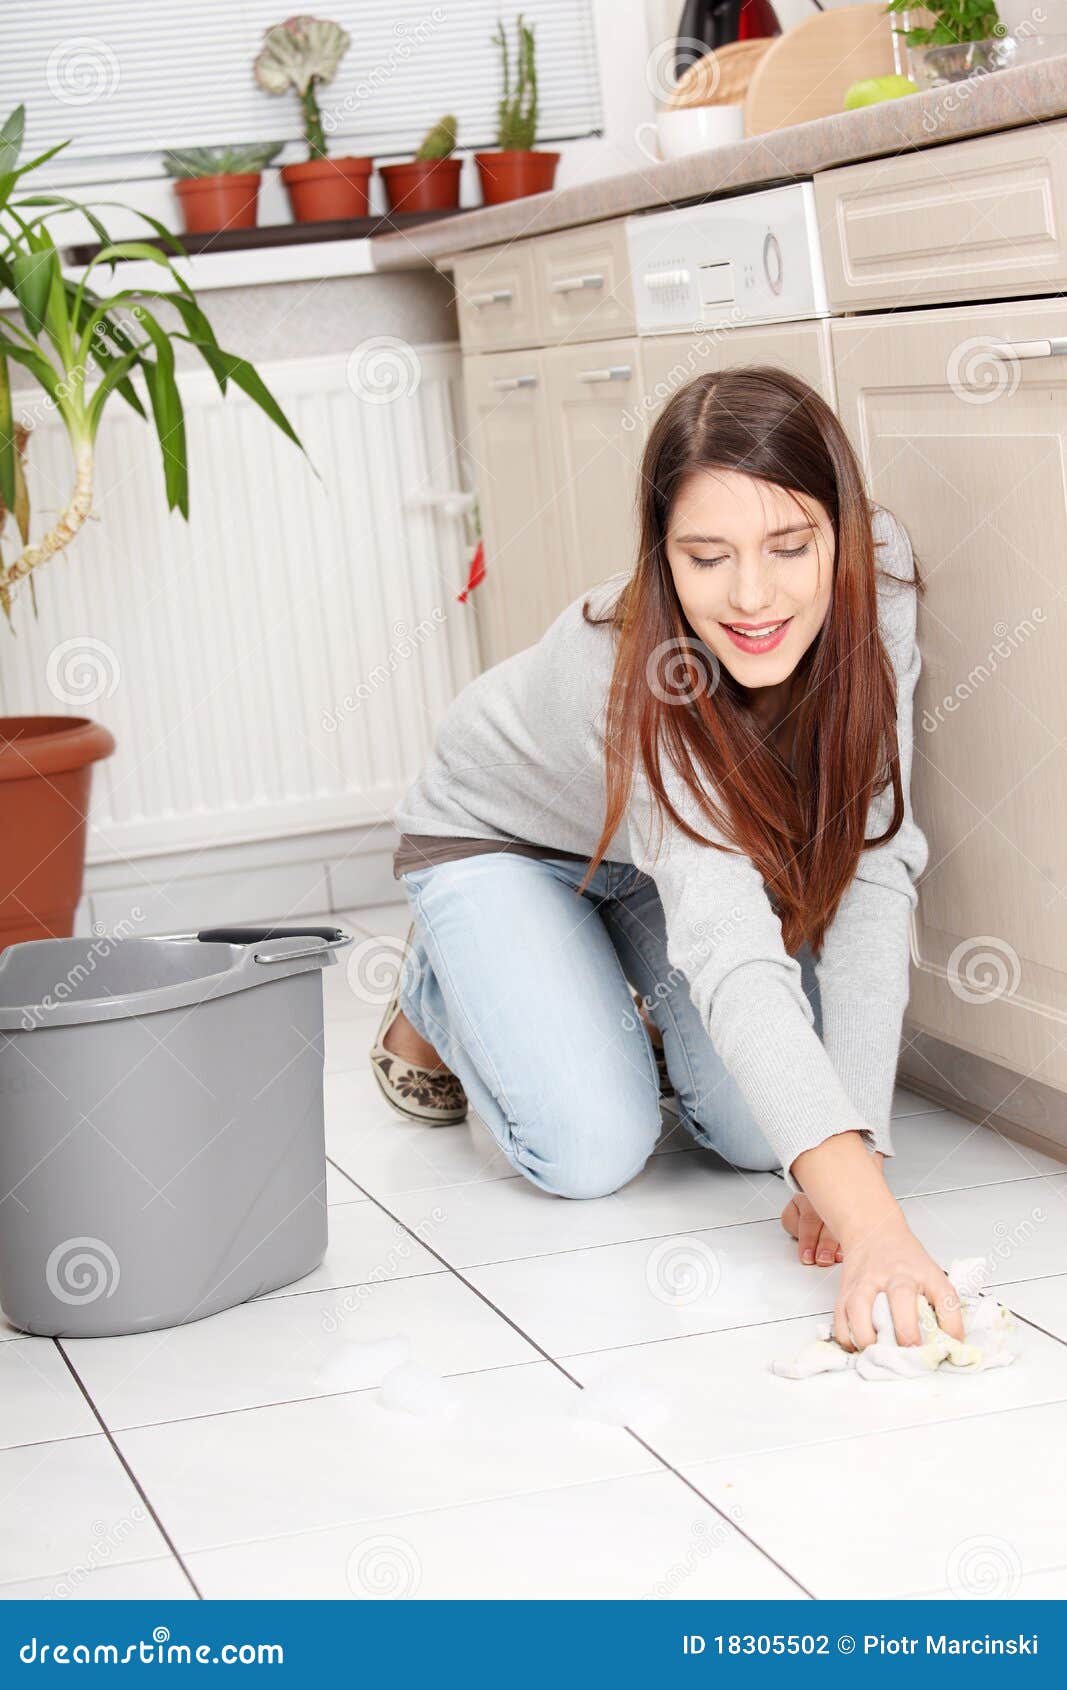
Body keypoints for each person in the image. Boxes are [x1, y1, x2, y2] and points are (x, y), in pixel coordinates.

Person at [370, 366, 965, 1354]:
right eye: (704, 557)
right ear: (661, 559)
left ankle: (582, 973)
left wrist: (853, 1152)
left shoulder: (881, 589)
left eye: (789, 546)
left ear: (844, 532)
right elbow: (729, 945)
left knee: (753, 1138)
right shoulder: (633, 667)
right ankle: (441, 982)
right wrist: (875, 1232)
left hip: (651, 865)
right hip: (501, 839)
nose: (750, 595)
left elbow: (870, 866)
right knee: (588, 1149)